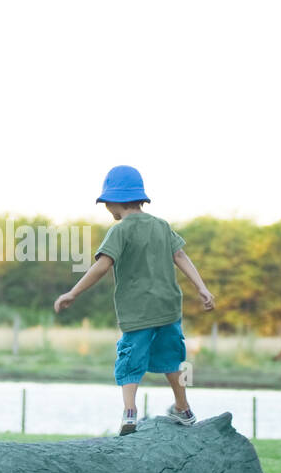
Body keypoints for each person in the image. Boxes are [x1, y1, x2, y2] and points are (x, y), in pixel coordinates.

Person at [54, 165, 215, 435]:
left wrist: (73, 292)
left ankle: (130, 412)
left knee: (129, 358)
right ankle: (184, 409)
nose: (108, 209)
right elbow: (181, 257)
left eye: (107, 203)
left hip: (137, 311)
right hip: (168, 308)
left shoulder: (120, 230)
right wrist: (202, 288)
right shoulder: (161, 226)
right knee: (173, 358)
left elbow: (102, 266)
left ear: (115, 201)